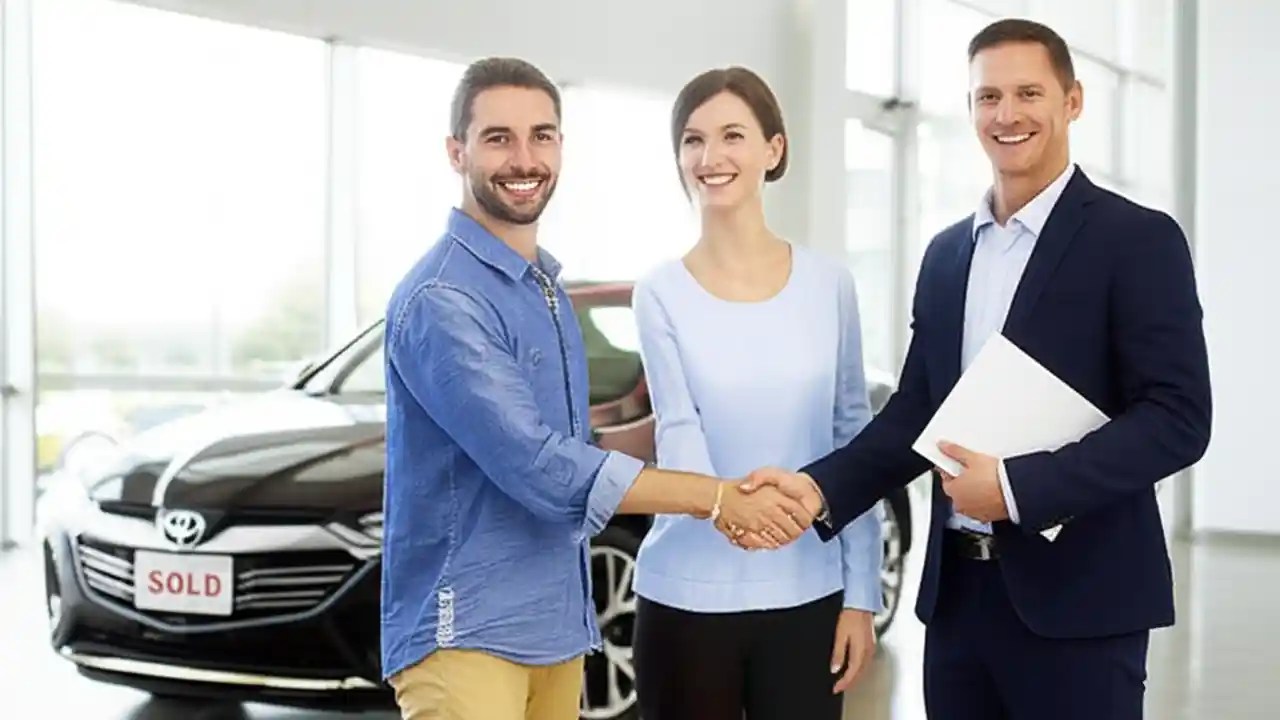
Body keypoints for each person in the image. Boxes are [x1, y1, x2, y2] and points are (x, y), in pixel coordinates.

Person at [740, 18, 1212, 720]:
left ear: (1073, 101)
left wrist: (1020, 488)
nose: (1007, 114)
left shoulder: (1136, 240)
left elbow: (1178, 419)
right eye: (988, 96)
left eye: (1028, 92)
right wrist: (817, 489)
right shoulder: (945, 256)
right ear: (970, 110)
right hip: (959, 608)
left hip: (1083, 606)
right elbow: (915, 414)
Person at [379, 57, 816, 720]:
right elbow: (541, 466)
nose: (524, 158)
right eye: (498, 138)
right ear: (455, 151)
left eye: (543, 135)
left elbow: (576, 443)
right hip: (465, 636)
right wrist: (719, 497)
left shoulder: (546, 291)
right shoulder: (443, 298)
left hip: (554, 626)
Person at [628, 66, 884, 720]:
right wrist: (728, 510)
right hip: (686, 598)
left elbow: (852, 440)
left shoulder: (830, 285)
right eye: (692, 140)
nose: (710, 158)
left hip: (811, 595)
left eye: (732, 136)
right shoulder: (660, 292)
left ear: (773, 150)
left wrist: (861, 594)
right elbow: (679, 431)